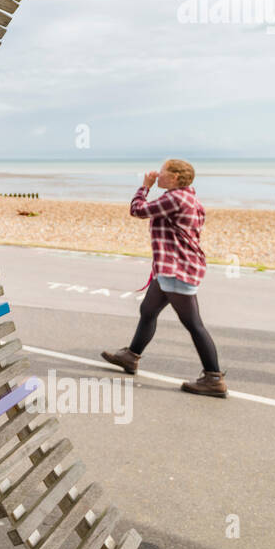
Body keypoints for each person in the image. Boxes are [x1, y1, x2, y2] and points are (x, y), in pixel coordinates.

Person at [102, 159, 226, 397]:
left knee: (193, 324)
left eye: (162, 172)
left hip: (177, 269)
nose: (157, 174)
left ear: (176, 177)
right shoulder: (191, 198)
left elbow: (137, 210)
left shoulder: (175, 198)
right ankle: (131, 357)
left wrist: (145, 187)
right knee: (148, 311)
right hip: (172, 267)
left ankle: (213, 378)